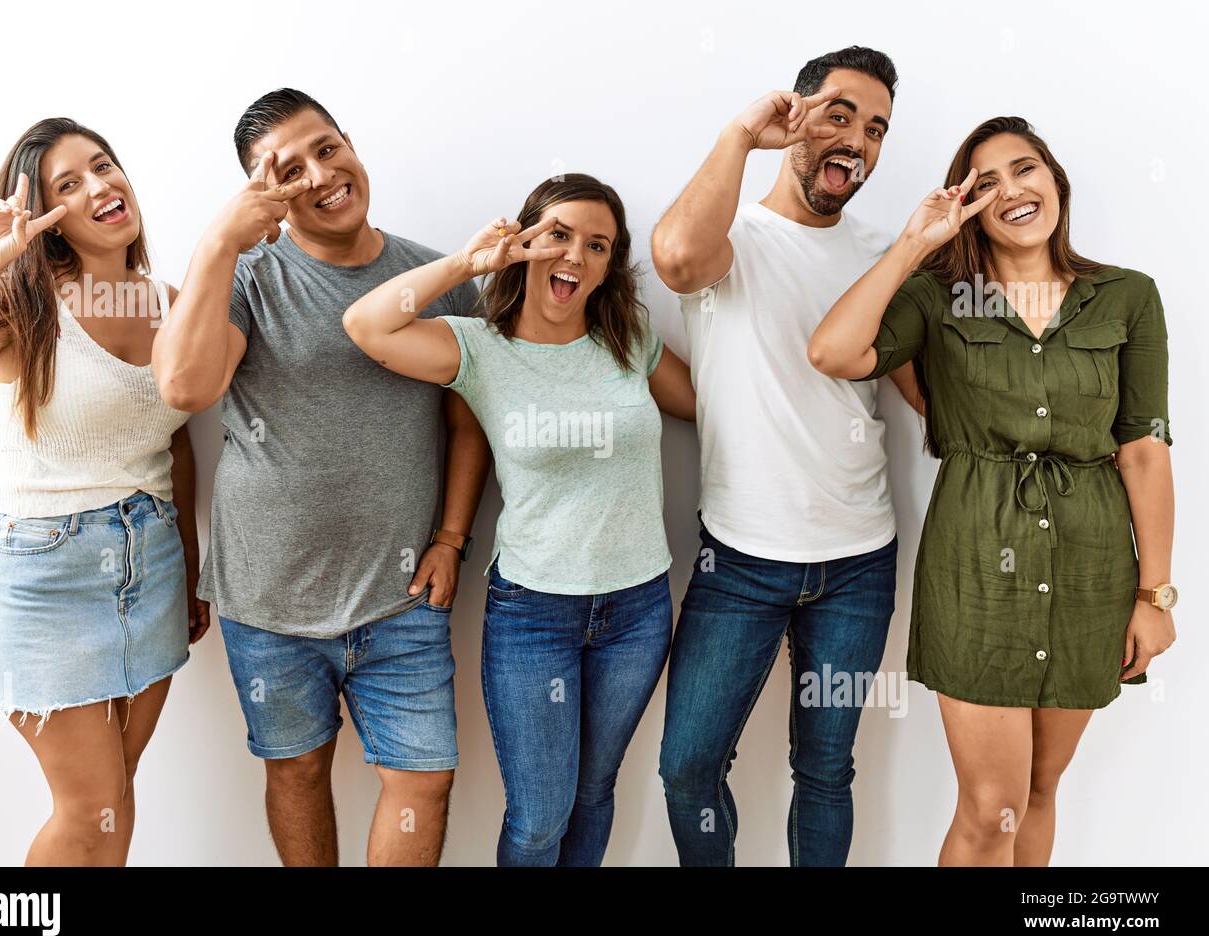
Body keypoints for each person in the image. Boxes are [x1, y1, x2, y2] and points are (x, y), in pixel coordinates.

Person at [807, 115, 1176, 865]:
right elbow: (833, 350)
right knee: (990, 807)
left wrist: (1154, 595)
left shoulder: (1126, 297)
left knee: (1039, 791)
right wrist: (918, 242)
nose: (1012, 189)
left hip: (1090, 570)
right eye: (988, 182)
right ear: (967, 203)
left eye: (1026, 168)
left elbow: (1142, 449)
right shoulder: (939, 297)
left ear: (1055, 182)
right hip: (976, 566)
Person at [150, 89, 490, 867]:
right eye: (288, 169)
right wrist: (217, 244)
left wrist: (451, 537)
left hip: (401, 596)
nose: (320, 175)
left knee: (423, 780)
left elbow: (467, 421)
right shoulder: (247, 278)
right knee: (297, 772)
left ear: (350, 144)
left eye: (327, 148)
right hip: (267, 599)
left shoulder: (435, 276)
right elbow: (185, 390)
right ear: (261, 194)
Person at [344, 172, 696, 866]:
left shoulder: (628, 337)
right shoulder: (479, 347)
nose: (575, 256)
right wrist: (470, 263)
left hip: (638, 607)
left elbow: (711, 402)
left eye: (597, 246)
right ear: (524, 241)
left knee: (595, 794)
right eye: (558, 235)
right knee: (539, 818)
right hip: (534, 614)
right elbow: (366, 326)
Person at [652, 46, 922, 866]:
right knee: (687, 768)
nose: (859, 141)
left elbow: (925, 396)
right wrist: (741, 135)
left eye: (876, 128)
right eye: (839, 114)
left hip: (858, 560)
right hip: (738, 559)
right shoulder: (732, 238)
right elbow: (673, 258)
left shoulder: (883, 251)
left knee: (827, 771)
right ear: (794, 113)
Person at [0, 118, 205, 865]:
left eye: (104, 167)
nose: (100, 187)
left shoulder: (169, 303)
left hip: (154, 563)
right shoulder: (24, 310)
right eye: (67, 185)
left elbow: (174, 441)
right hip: (46, 572)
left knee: (116, 799)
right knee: (91, 809)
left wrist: (192, 568)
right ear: (49, 221)